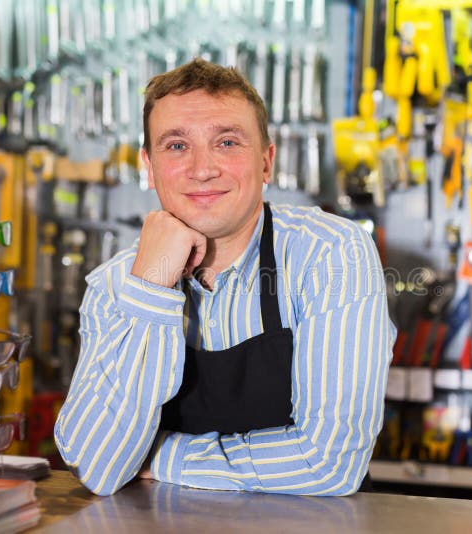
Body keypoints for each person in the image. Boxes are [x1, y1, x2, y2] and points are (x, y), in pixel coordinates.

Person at [54, 58, 396, 497]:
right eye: (176, 146)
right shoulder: (117, 283)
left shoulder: (330, 254)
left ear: (267, 161)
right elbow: (97, 467)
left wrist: (157, 457)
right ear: (148, 166)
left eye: (227, 142)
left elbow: (329, 463)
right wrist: (151, 287)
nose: (202, 168)